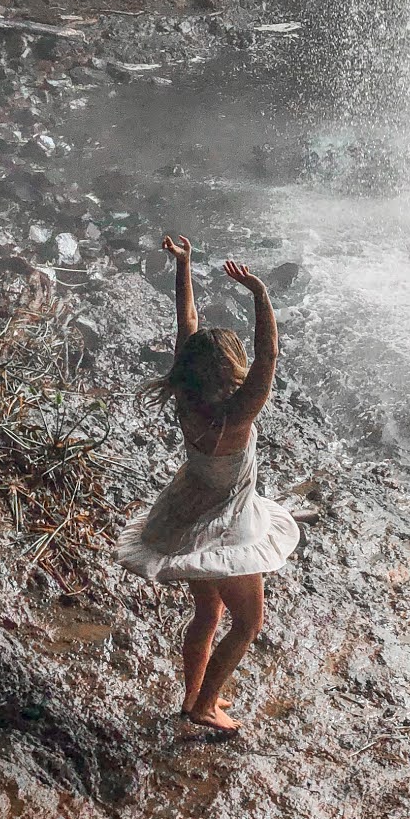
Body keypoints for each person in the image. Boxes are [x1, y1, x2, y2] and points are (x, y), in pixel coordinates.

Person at [116, 234, 299, 735]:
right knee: (248, 624)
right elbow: (268, 360)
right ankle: (204, 706)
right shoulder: (237, 416)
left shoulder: (185, 395)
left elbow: (187, 326)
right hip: (227, 524)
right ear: (230, 372)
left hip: (187, 508)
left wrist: (186, 265)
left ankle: (193, 695)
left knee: (208, 614)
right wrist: (261, 295)